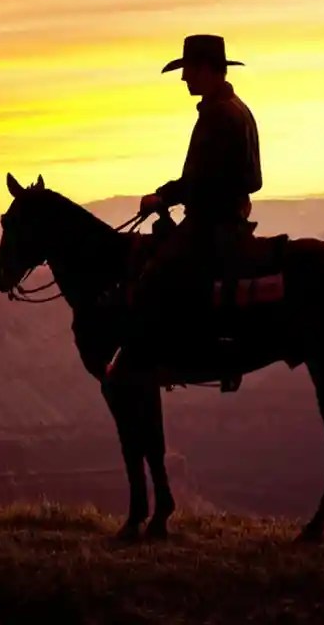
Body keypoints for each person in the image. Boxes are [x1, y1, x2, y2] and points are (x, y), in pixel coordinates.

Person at [109, 34, 262, 392]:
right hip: (228, 215)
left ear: (207, 69)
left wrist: (161, 198)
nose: (184, 79)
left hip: (214, 220)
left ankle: (175, 360)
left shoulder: (219, 115)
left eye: (188, 70)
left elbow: (200, 178)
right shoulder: (235, 109)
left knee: (156, 275)